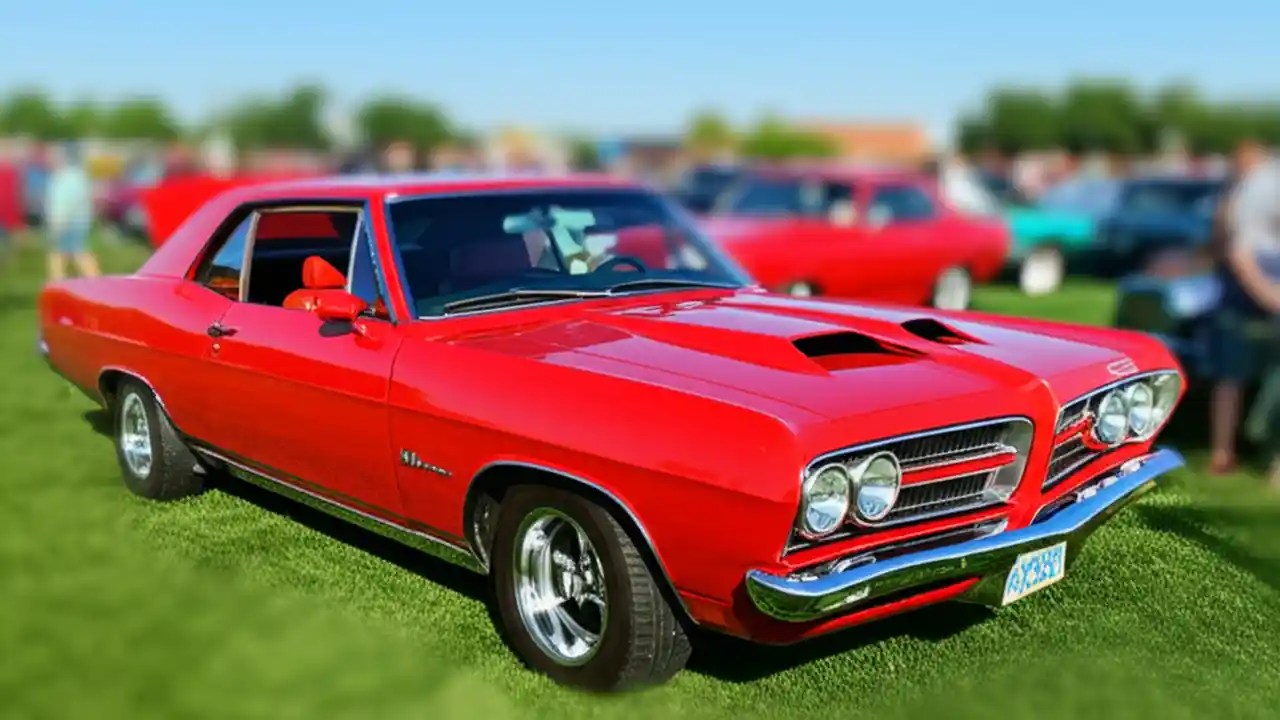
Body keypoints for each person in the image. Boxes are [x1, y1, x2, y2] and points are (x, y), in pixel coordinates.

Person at [1210, 138, 1280, 477]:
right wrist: (1270, 297)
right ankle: (1224, 452)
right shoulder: (1244, 200)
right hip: (1243, 304)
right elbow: (1238, 256)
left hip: (1251, 300)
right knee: (1232, 379)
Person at [44, 143, 99, 282]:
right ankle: (94, 280)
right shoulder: (80, 176)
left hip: (67, 221)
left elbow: (62, 203)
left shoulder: (64, 177)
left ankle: (58, 282)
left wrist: (57, 223)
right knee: (73, 251)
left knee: (63, 253)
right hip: (80, 220)